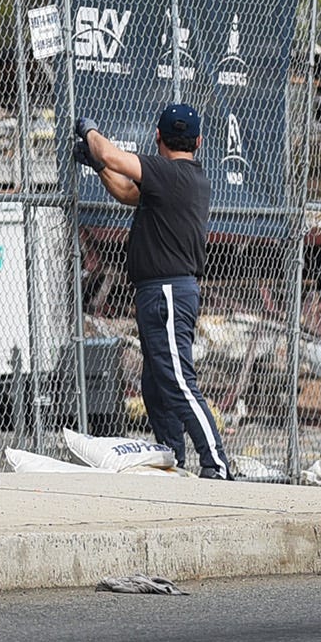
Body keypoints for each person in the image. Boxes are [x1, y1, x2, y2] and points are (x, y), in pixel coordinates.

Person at [73, 102, 231, 479]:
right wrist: (98, 167)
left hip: (168, 293)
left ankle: (218, 464)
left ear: (157, 137)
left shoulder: (171, 173)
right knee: (156, 387)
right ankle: (172, 461)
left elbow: (111, 152)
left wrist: (89, 130)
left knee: (177, 380)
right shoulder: (176, 178)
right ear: (199, 141)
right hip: (158, 292)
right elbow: (128, 194)